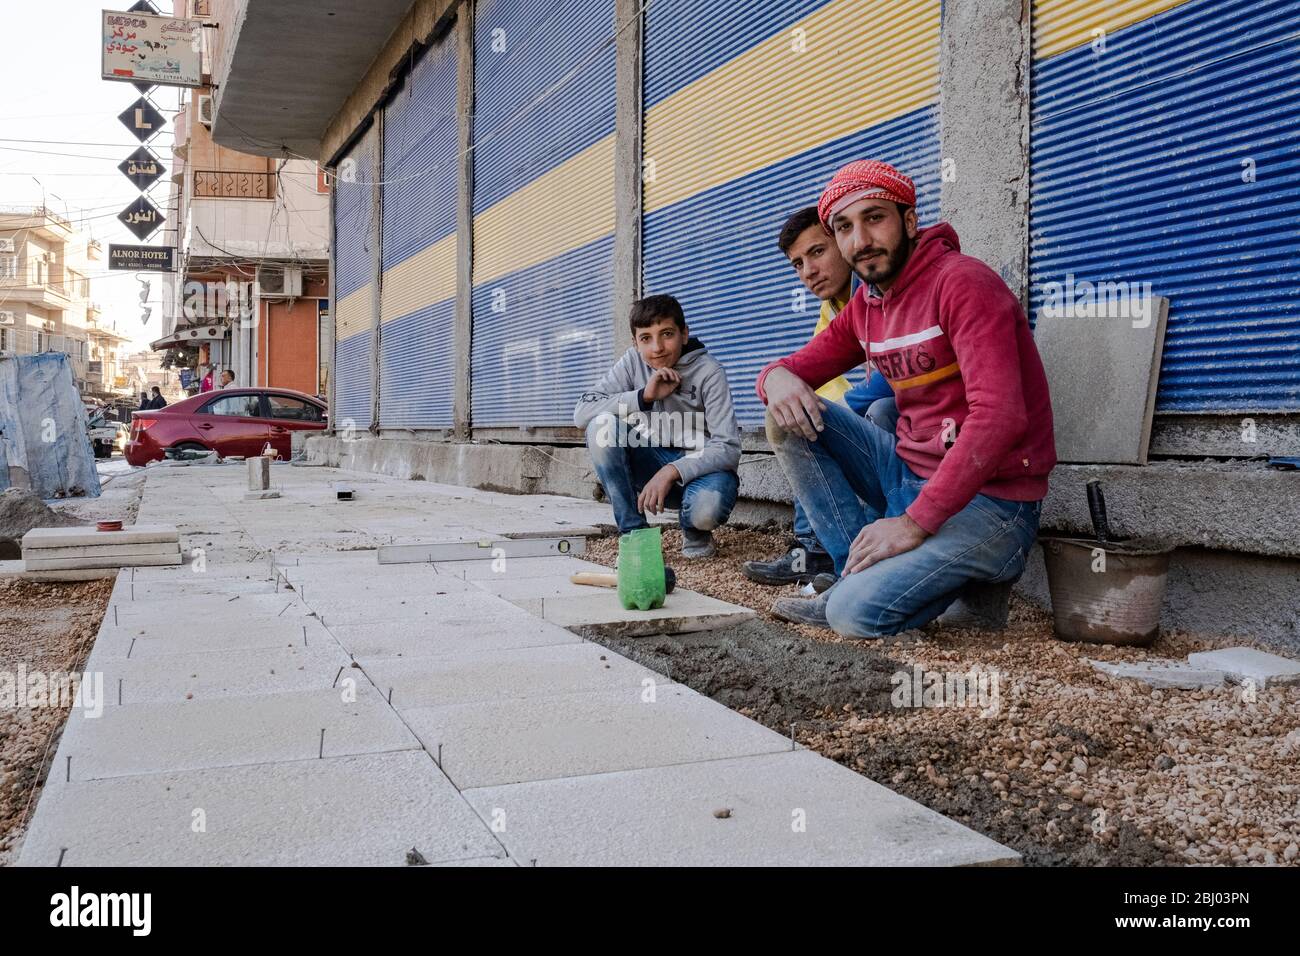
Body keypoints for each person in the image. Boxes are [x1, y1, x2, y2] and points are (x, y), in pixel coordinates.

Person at [757, 160, 1056, 637]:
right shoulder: (868, 305)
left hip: (993, 501)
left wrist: (912, 525)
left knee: (853, 616)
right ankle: (848, 570)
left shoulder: (963, 283)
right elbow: (796, 366)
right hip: (909, 476)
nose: (861, 240)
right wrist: (775, 379)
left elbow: (999, 417)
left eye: (875, 218)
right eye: (845, 227)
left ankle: (979, 573)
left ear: (909, 221)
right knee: (786, 418)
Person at [743, 206, 897, 587]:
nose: (808, 271)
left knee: (871, 410)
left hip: (922, 435)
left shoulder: (878, 290)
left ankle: (860, 560)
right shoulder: (834, 308)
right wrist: (780, 385)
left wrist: (835, 419)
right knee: (801, 415)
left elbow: (891, 381)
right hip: (877, 426)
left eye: (817, 252)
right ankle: (814, 551)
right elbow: (807, 379)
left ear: (843, 242)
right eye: (797, 263)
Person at [574, 294, 741, 559]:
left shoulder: (709, 372)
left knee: (706, 509)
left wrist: (672, 470)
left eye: (667, 334)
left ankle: (695, 531)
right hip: (649, 463)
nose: (657, 347)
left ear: (684, 334)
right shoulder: (632, 362)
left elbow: (728, 446)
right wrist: (643, 397)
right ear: (635, 343)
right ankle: (634, 535)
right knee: (602, 426)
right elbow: (582, 413)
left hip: (699, 472)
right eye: (646, 338)